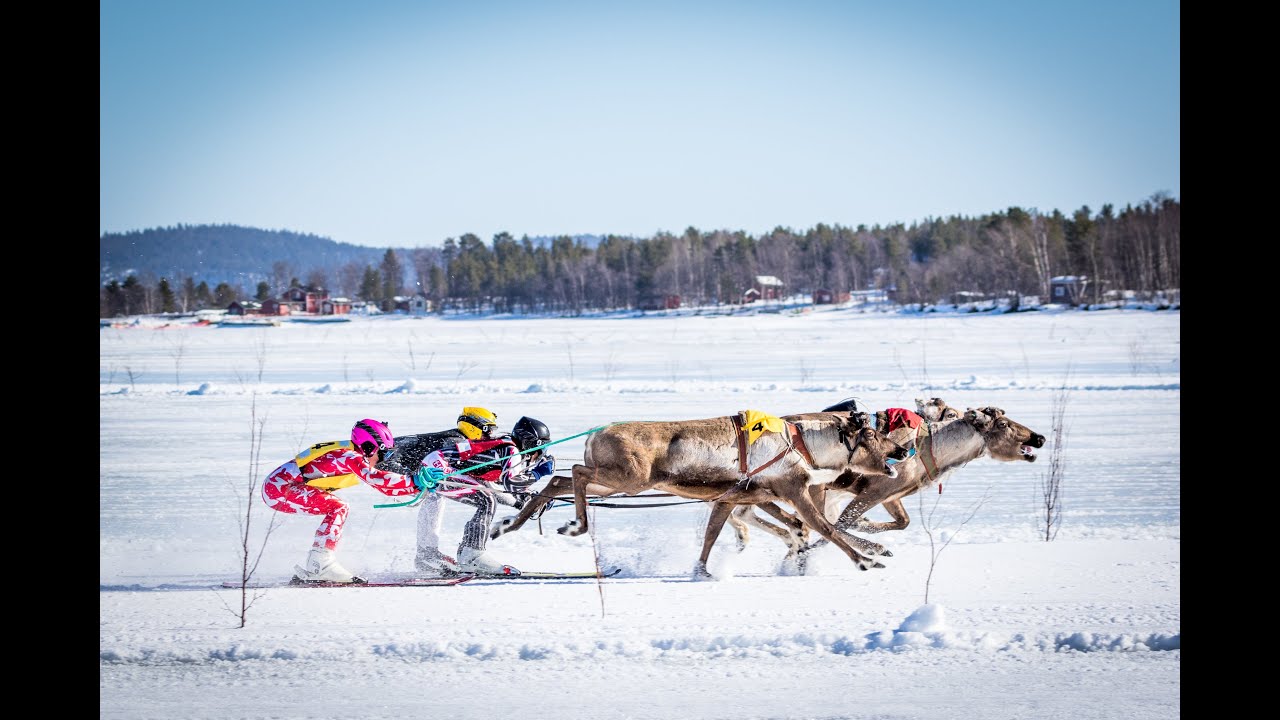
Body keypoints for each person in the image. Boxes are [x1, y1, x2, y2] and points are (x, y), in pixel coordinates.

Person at [261, 418, 424, 584]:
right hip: (278, 487)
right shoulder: (349, 456)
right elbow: (375, 478)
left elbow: (383, 488)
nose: (383, 460)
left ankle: (319, 563)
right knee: (338, 507)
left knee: (337, 507)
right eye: (383, 453)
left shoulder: (354, 456)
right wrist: (414, 480)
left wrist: (418, 486)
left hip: (281, 486)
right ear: (368, 447)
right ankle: (320, 564)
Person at [405, 413, 556, 575]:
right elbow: (511, 483)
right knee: (487, 501)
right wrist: (539, 472)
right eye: (541, 450)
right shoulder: (512, 450)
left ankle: (447, 555)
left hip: (436, 463)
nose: (539, 456)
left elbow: (497, 486)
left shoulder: (508, 447)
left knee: (486, 497)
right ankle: (471, 555)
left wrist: (529, 499)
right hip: (438, 467)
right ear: (530, 443)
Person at [377, 406, 501, 574]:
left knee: (435, 493)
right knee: (438, 492)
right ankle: (430, 555)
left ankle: (427, 555)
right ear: (474, 427)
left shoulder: (457, 440)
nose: (490, 436)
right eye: (488, 430)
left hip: (390, 463)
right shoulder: (456, 442)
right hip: (388, 463)